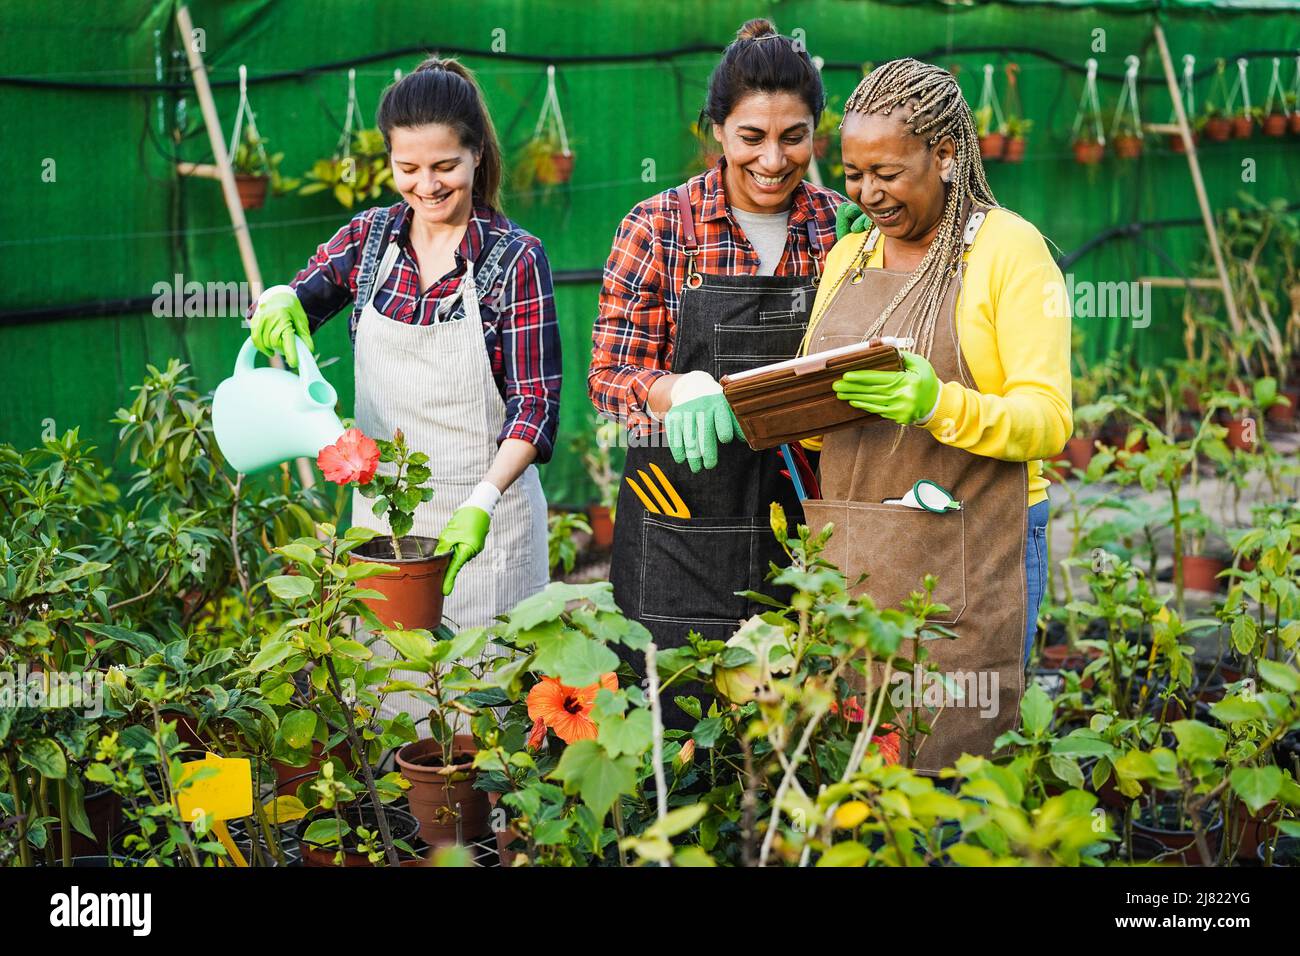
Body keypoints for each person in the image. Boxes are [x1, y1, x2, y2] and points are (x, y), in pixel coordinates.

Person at [246, 57, 560, 720]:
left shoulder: (513, 258)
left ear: (476, 154)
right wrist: (279, 300)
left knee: (484, 717)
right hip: (386, 526)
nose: (427, 185)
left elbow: (535, 406)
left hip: (488, 522)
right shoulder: (370, 240)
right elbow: (301, 305)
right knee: (394, 715)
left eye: (445, 165)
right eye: (408, 168)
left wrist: (480, 500)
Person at [799, 58, 1072, 771]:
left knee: (959, 762)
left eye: (886, 172)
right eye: (854, 174)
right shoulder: (849, 256)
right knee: (862, 763)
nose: (867, 193)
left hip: (972, 545)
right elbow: (819, 399)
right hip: (858, 543)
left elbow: (1047, 419)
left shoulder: (1010, 251)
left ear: (947, 156)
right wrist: (776, 409)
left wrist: (937, 403)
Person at [589, 19, 842, 722]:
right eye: (751, 137)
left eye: (794, 136)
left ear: (816, 134)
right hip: (678, 528)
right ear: (717, 131)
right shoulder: (659, 227)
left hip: (804, 523)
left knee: (796, 727)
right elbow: (609, 376)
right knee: (676, 723)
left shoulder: (840, 231)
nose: (773, 158)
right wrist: (677, 388)